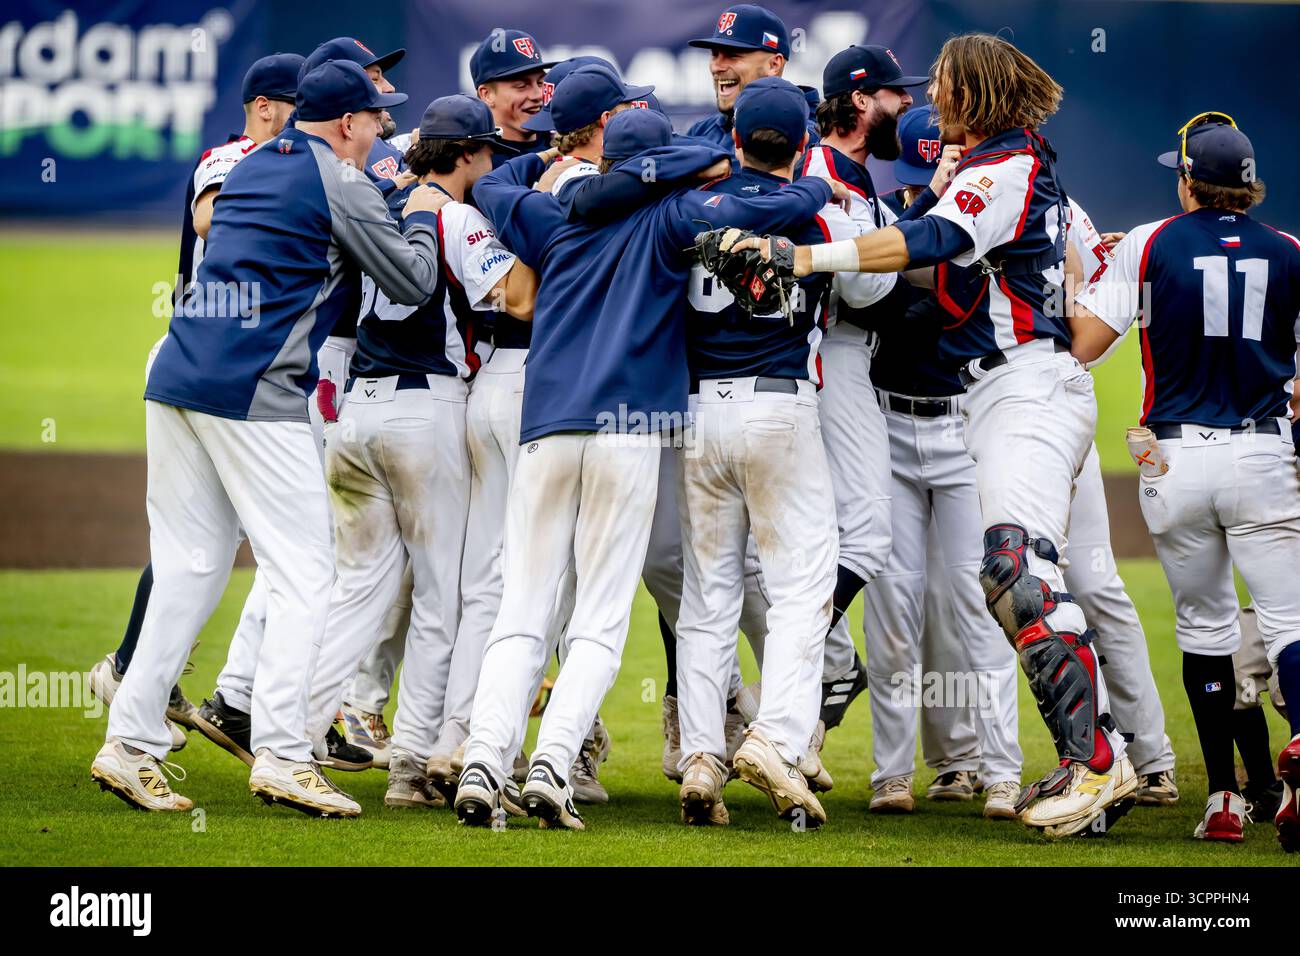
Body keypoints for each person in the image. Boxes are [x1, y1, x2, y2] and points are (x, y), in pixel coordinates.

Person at [732, 33, 1137, 835]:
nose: (932, 100)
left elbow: (929, 244)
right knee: (1009, 575)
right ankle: (1097, 753)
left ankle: (1098, 761)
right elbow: (926, 254)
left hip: (1025, 384)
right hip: (1001, 388)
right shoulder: (1009, 162)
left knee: (1018, 568)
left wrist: (802, 257)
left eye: (946, 84)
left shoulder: (1003, 167)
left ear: (975, 92)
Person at [453, 108, 838, 830]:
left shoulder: (549, 214)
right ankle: (551, 766)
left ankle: (482, 761)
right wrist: (805, 189)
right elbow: (778, 200)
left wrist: (554, 161)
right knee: (598, 621)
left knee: (523, 610)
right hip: (629, 435)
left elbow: (495, 179)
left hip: (546, 427)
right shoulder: (674, 216)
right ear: (661, 166)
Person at [89, 59, 445, 817]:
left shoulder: (250, 164)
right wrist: (419, 205)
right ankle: (283, 754)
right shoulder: (342, 181)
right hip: (253, 389)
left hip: (177, 374)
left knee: (188, 567)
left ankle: (129, 742)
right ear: (346, 122)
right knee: (307, 573)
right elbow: (413, 281)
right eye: (377, 117)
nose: (384, 127)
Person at [1069, 113, 1300, 850]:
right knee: (1290, 625)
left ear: (1187, 181)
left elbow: (1084, 345)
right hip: (1265, 451)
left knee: (1205, 631)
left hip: (1175, 460)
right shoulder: (1292, 252)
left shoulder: (1148, 242)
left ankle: (1226, 799)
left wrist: (1084, 278)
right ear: (1249, 186)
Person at [302, 94, 537, 811]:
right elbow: (520, 298)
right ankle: (412, 761)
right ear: (467, 153)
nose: (492, 161)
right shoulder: (456, 215)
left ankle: (290, 737)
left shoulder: (390, 203)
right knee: (442, 599)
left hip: (357, 412)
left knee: (358, 591)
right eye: (487, 151)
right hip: (424, 413)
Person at [87, 52, 304, 755]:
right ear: (267, 108)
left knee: (210, 542)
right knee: (214, 543)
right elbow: (211, 217)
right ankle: (141, 675)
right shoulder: (232, 156)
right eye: (303, 106)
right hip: (205, 362)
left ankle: (140, 674)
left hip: (229, 367)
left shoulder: (302, 162)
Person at [672, 78, 852, 827]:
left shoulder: (686, 207)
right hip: (778, 405)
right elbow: (868, 296)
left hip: (696, 412)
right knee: (801, 585)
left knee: (707, 598)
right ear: (802, 140)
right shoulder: (816, 209)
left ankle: (702, 757)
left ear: (735, 138)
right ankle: (775, 737)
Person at [854, 105, 1024, 819]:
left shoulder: (990, 220)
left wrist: (920, 278)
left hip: (961, 427)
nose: (941, 173)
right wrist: (923, 225)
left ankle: (1000, 769)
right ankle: (892, 773)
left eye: (949, 163)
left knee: (979, 604)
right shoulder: (894, 210)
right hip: (891, 426)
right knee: (893, 610)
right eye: (933, 167)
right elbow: (876, 304)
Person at [686, 5, 817, 160]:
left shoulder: (803, 135)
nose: (716, 66)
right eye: (714, 55)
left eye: (733, 55)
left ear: (773, 65)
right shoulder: (701, 131)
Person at [470, 28, 557, 163]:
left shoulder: (565, 148)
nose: (538, 95)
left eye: (540, 83)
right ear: (487, 95)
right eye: (521, 86)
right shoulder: (472, 162)